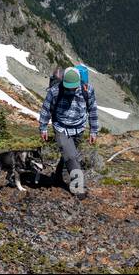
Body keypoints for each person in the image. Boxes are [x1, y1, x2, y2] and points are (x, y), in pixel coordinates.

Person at [39, 66, 98, 198]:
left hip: (79, 128)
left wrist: (93, 130)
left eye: (73, 87)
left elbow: (92, 109)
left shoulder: (87, 90)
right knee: (72, 157)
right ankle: (78, 187)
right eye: (67, 86)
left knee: (68, 156)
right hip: (61, 128)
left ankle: (58, 178)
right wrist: (43, 127)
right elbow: (46, 109)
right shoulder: (55, 91)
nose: (70, 90)